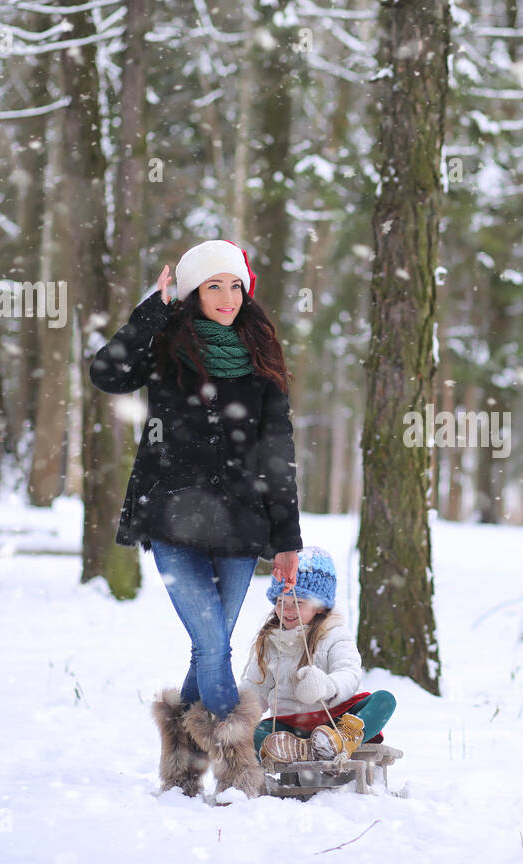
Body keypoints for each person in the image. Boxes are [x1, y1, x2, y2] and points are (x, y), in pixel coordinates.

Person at [88, 239, 301, 800]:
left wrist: (286, 539)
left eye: (235, 285)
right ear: (191, 293)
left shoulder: (262, 363)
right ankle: (239, 772)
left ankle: (182, 766)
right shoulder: (165, 348)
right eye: (213, 286)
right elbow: (107, 373)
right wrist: (151, 310)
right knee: (213, 648)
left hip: (239, 528)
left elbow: (279, 457)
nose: (227, 297)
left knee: (207, 648)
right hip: (172, 521)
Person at [241, 546, 396, 766]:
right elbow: (256, 687)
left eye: (297, 603)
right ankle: (299, 748)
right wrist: (238, 714)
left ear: (321, 606)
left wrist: (327, 686)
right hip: (290, 727)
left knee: (384, 700)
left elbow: (349, 673)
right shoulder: (270, 641)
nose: (287, 609)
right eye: (280, 602)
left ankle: (339, 740)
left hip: (336, 720)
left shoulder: (335, 635)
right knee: (249, 734)